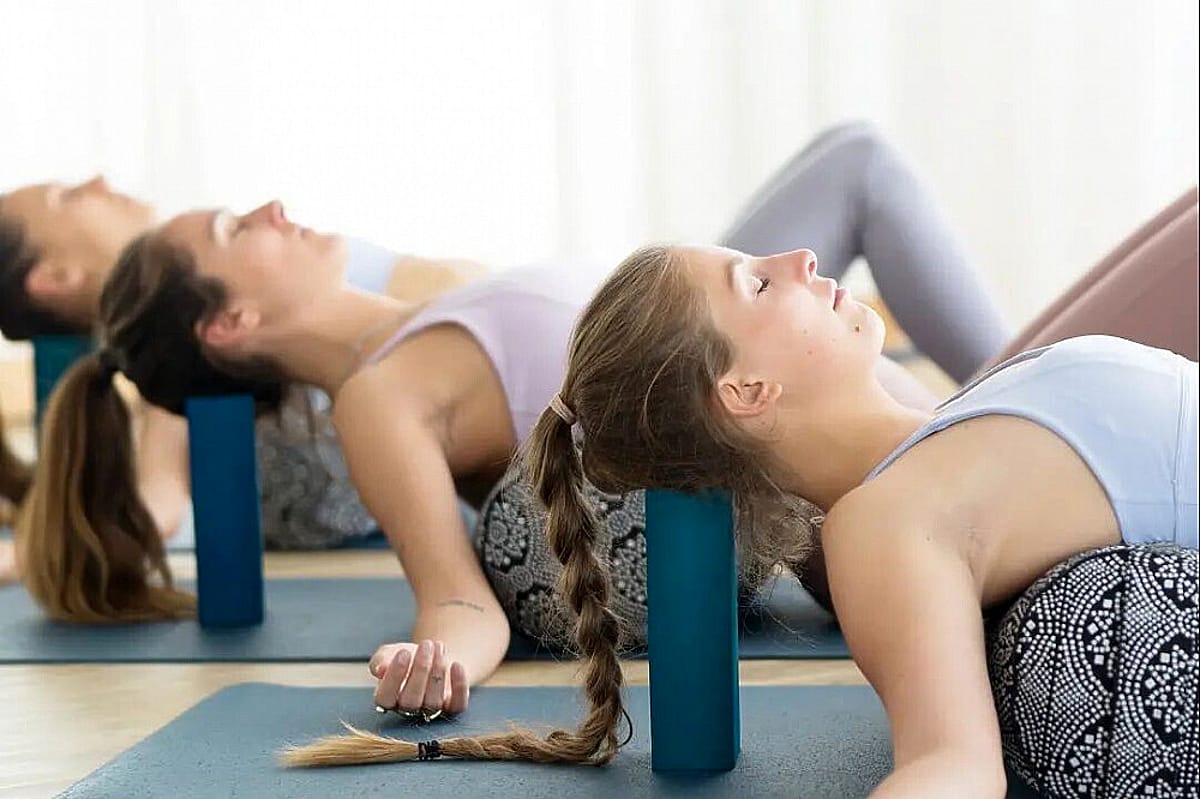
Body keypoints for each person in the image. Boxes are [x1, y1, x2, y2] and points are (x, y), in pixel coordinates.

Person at [16, 124, 1018, 716]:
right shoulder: (380, 397)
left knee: (858, 158)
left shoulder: (418, 291)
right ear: (230, 323)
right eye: (238, 229)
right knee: (863, 161)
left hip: (809, 384)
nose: (274, 208)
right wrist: (433, 662)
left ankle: (1020, 397)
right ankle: (1020, 398)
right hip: (828, 452)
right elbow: (456, 597)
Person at [280, 230, 1197, 797]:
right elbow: (952, 767)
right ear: (747, 390)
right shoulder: (882, 526)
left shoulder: (940, 426)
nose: (801, 258)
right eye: (757, 283)